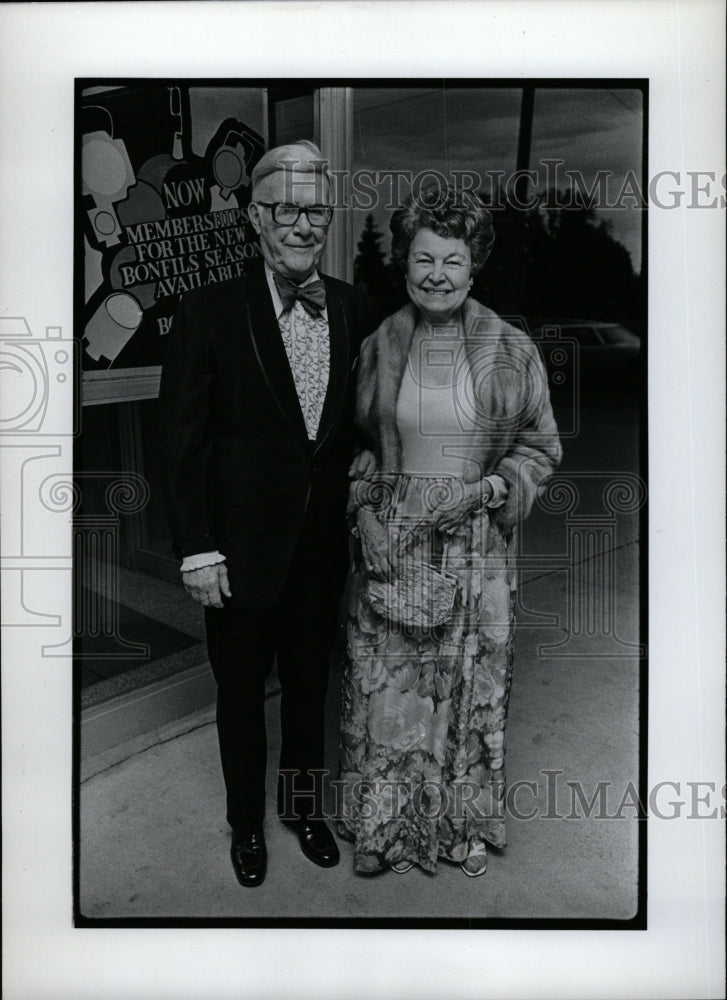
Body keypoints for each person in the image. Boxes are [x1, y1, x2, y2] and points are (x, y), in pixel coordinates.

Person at [158, 140, 378, 888]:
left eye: (315, 209)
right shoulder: (209, 309)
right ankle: (246, 824)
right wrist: (196, 548)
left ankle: (304, 811)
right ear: (255, 216)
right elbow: (181, 443)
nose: (302, 224)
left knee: (311, 690)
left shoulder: (351, 305)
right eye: (286, 208)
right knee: (242, 698)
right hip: (239, 554)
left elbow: (360, 425)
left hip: (319, 550)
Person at [339, 182, 562, 876]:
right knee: (389, 692)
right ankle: (382, 832)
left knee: (464, 691)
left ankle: (456, 829)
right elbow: (363, 448)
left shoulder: (510, 347)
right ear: (404, 261)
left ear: (474, 266)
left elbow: (540, 448)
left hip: (474, 548)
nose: (436, 275)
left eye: (452, 261)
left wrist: (490, 489)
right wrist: (365, 511)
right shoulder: (379, 344)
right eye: (423, 259)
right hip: (395, 543)